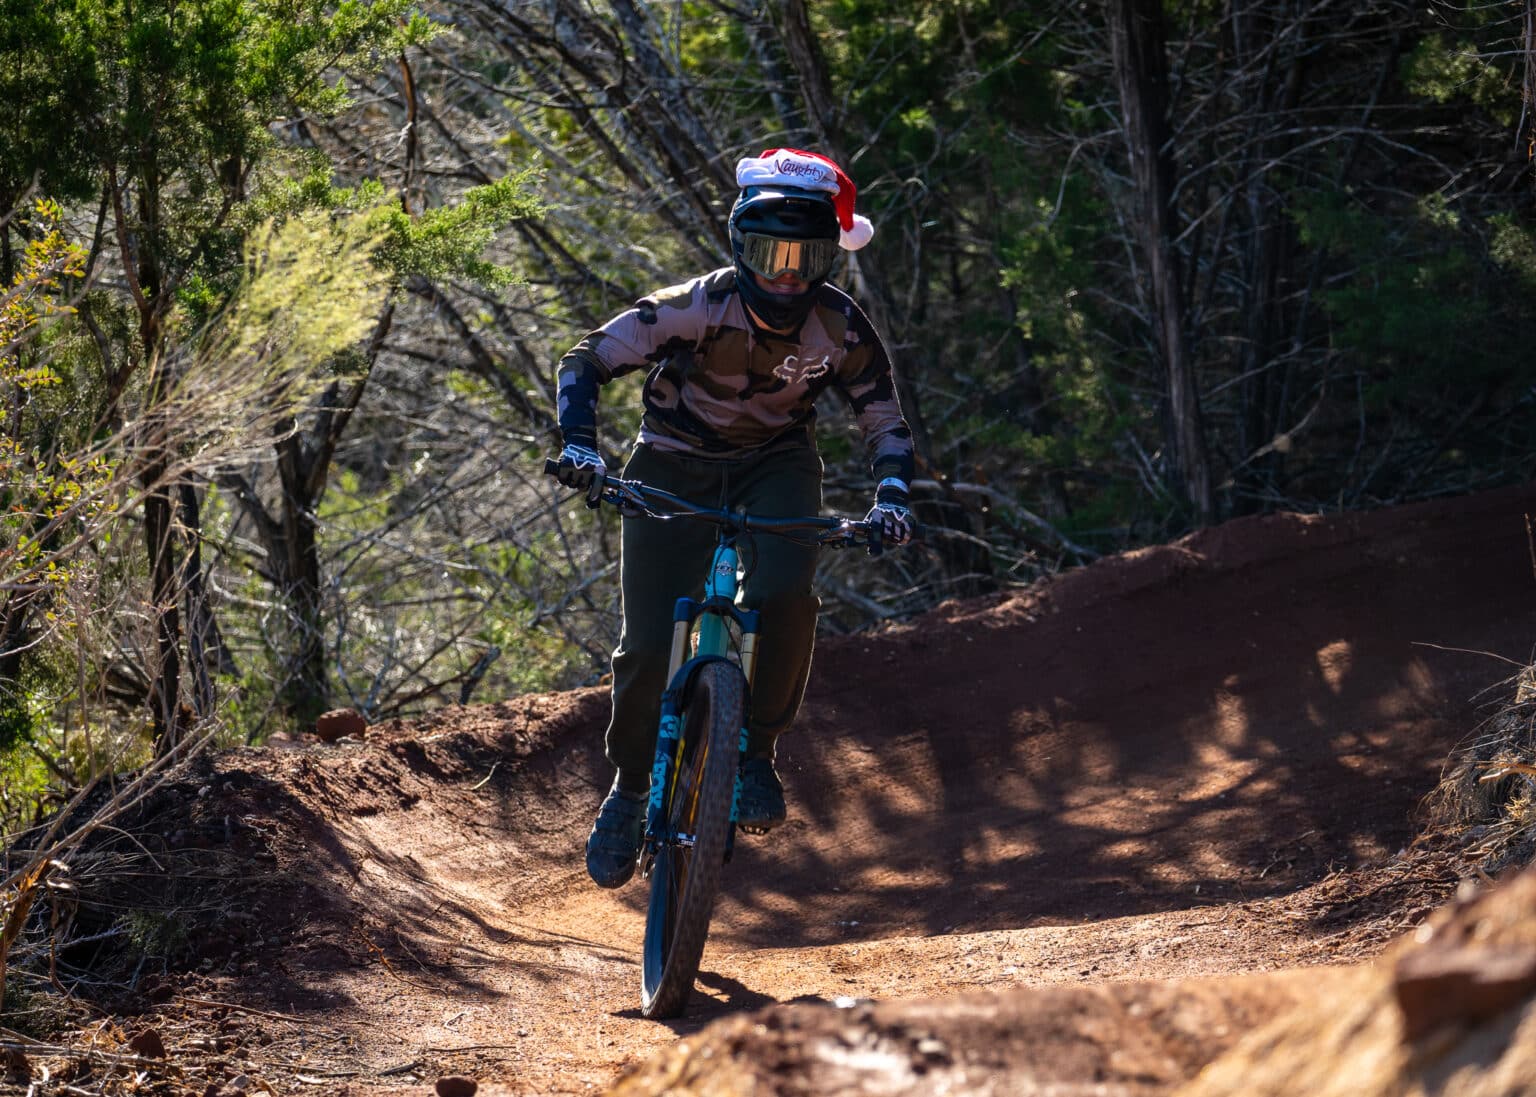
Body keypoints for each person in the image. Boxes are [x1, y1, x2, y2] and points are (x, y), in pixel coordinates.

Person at [552, 148, 916, 889]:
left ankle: (755, 756)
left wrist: (893, 496)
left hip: (775, 463)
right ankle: (628, 790)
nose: (784, 273)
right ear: (737, 246)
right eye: (767, 252)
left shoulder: (840, 327)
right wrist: (582, 450)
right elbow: (587, 359)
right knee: (650, 643)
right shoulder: (694, 306)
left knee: (787, 594)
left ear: (826, 259)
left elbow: (883, 415)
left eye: (804, 255)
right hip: (671, 460)